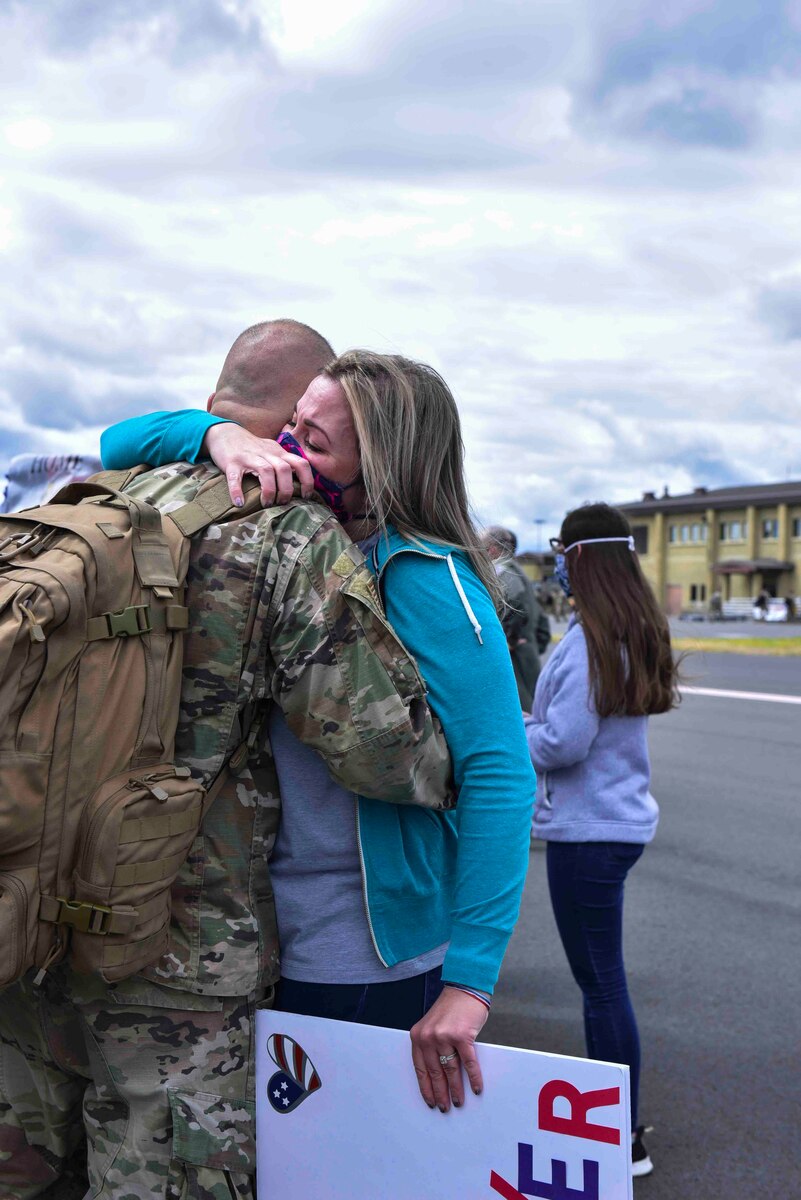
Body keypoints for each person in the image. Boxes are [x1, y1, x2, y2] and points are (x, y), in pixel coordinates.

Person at [0, 322, 455, 1200]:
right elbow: (378, 750)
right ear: (299, 419)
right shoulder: (283, 529)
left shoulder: (78, 498)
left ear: (215, 404)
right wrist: (466, 766)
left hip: (26, 917)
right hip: (174, 952)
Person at [101, 348, 536, 1121]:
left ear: (385, 467)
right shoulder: (298, 540)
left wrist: (470, 983)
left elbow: (502, 778)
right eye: (291, 424)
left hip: (358, 956)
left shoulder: (424, 579)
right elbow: (117, 443)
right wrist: (219, 436)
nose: (288, 448)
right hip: (263, 936)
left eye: (315, 441)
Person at [525, 503, 679, 1179]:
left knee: (601, 986)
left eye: (561, 548)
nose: (556, 559)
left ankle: (623, 1139)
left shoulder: (589, 638)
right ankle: (622, 1128)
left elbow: (562, 742)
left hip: (589, 832)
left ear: (581, 556)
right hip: (613, 824)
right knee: (602, 983)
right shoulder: (626, 627)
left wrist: (505, 735)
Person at [483, 526, 551, 710]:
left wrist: (511, 639)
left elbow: (518, 603)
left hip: (516, 653)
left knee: (522, 705)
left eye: (482, 548)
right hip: (524, 649)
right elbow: (541, 619)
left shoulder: (504, 571)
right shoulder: (516, 571)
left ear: (492, 549)